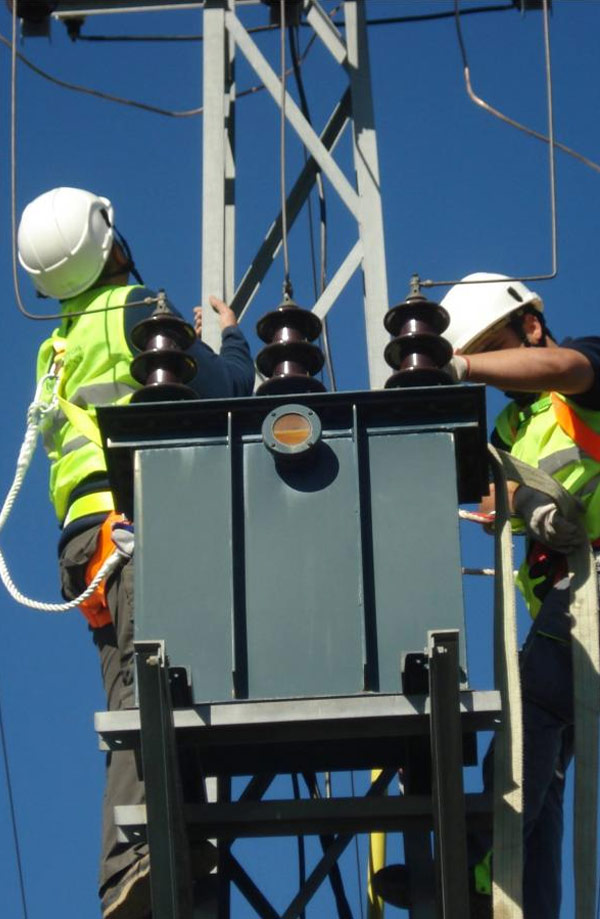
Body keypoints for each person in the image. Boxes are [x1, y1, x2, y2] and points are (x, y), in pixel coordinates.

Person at [17, 186, 256, 919]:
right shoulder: (133, 310)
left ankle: (162, 855)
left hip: (86, 544)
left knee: (143, 688)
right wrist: (229, 338)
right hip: (132, 526)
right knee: (148, 691)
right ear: (111, 244)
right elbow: (232, 388)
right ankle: (135, 866)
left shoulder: (56, 342)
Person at [372, 272, 600, 919]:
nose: (499, 374)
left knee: (525, 725)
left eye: (498, 351)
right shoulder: (508, 431)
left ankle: (472, 869)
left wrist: (460, 362)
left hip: (593, 592)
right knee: (544, 777)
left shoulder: (579, 376)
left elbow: (564, 366)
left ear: (530, 324)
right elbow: (497, 491)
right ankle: (519, 905)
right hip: (569, 608)